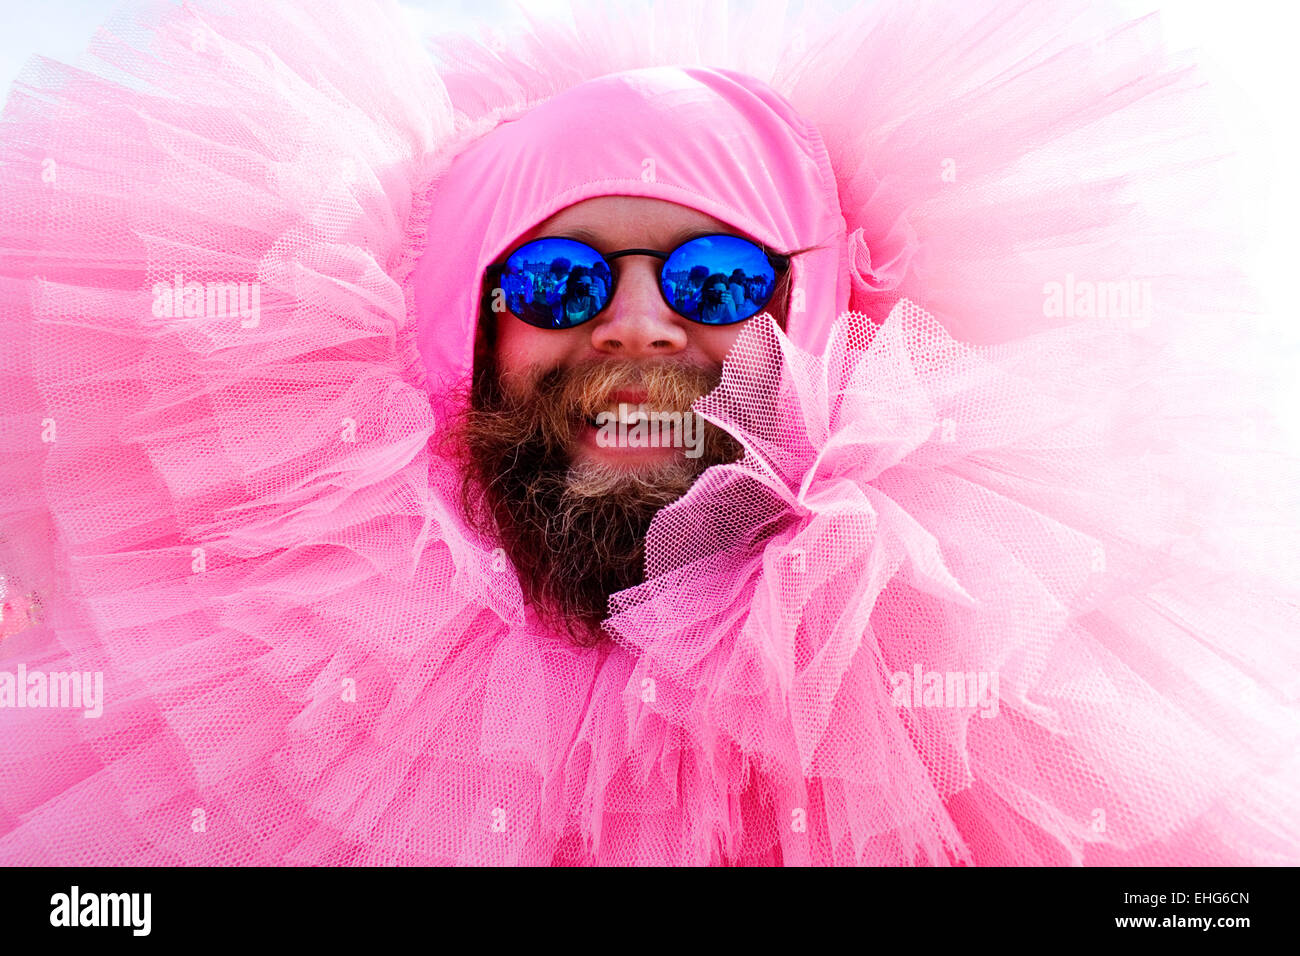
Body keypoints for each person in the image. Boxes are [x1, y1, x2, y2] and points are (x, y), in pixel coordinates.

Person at [0, 0, 1297, 867]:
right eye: (560, 283)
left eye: (716, 282)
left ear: (822, 318)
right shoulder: (254, 725)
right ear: (466, 341)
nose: (636, 327)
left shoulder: (1018, 729)